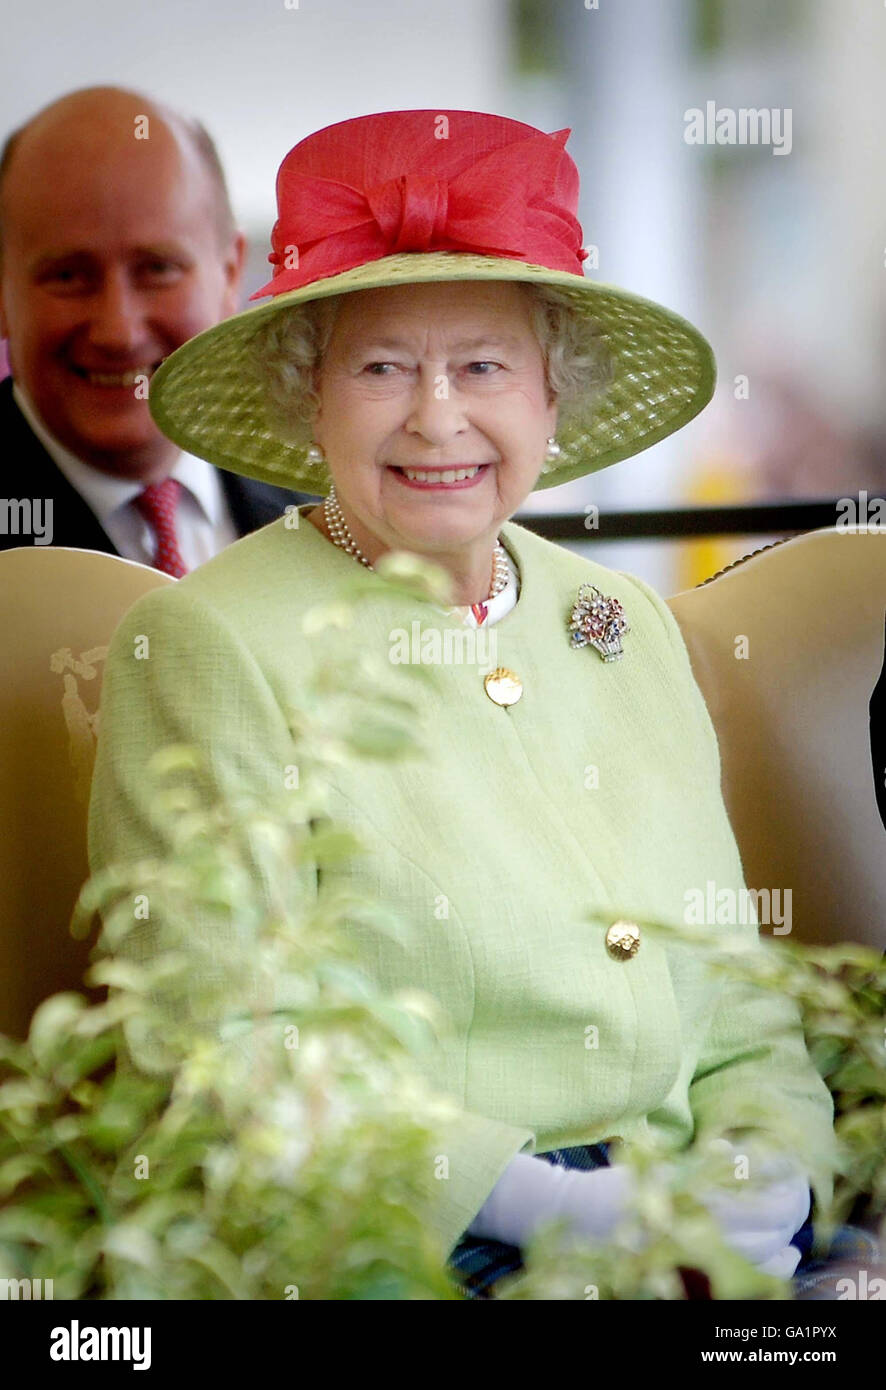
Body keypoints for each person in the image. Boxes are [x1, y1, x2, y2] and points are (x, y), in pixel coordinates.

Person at [87, 109, 854, 1298]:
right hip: (404, 1246)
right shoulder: (202, 642)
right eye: (383, 364)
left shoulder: (626, 623)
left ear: (553, 399)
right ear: (310, 399)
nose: (437, 416)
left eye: (484, 365)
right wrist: (540, 1204)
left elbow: (739, 1004)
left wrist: (767, 1172)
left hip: (698, 1227)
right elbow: (208, 1052)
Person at [0, 87, 317, 573]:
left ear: (229, 274)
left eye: (156, 269)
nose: (118, 333)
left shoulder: (334, 505)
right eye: (68, 276)